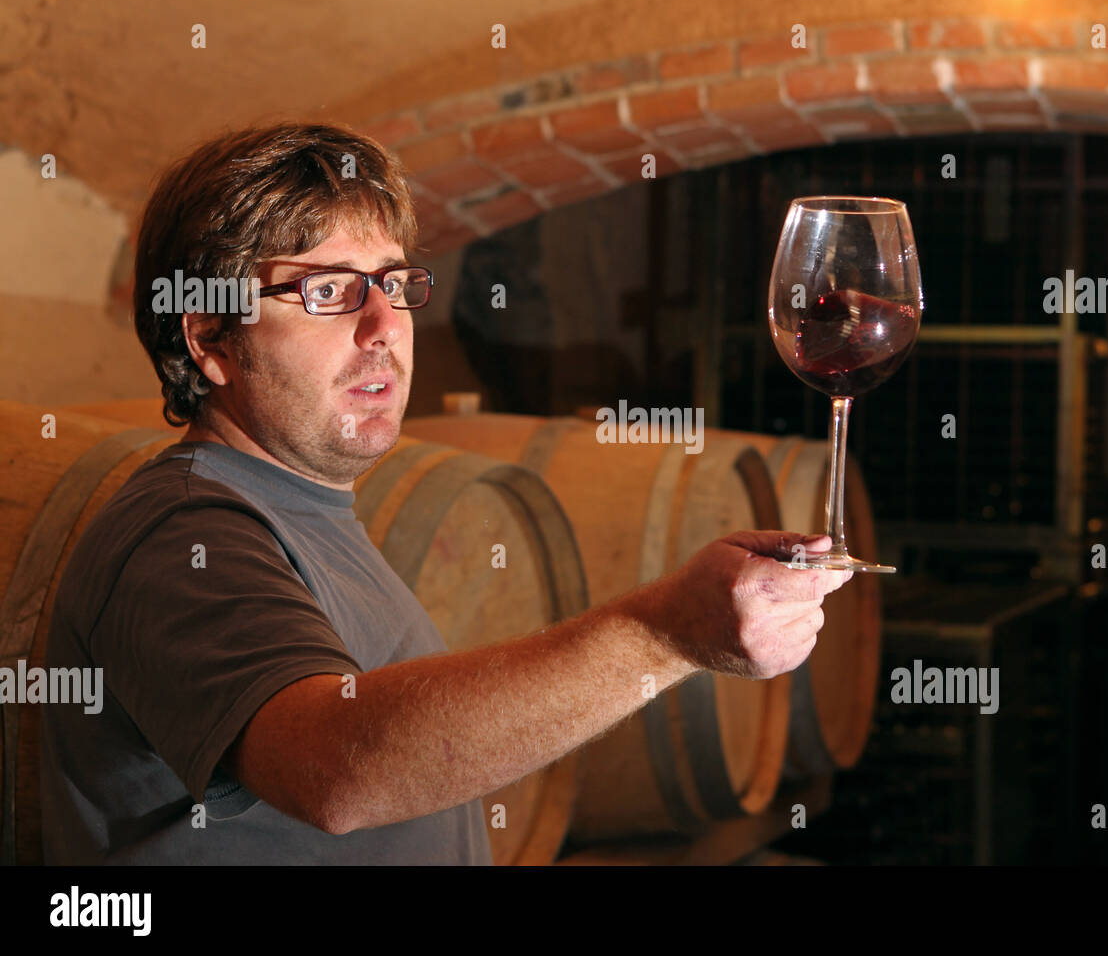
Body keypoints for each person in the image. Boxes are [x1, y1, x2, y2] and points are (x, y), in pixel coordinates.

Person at [39, 122, 851, 864]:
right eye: (326, 291)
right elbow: (337, 769)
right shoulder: (184, 529)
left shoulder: (305, 508)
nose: (383, 324)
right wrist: (668, 630)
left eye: (393, 283)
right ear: (209, 334)